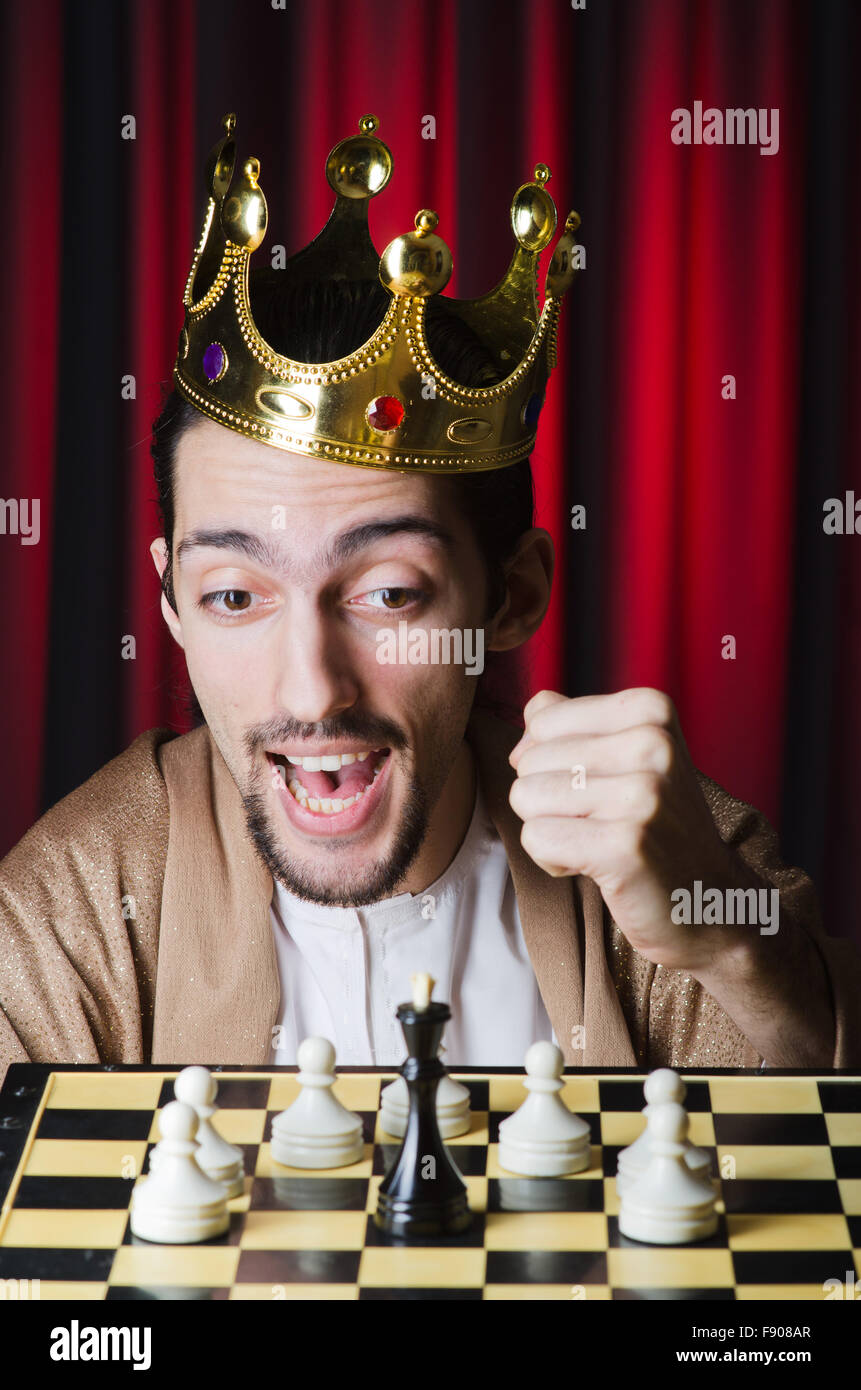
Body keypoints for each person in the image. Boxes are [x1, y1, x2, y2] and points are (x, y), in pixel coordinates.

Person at [1, 115, 858, 1085]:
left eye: (389, 593)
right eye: (235, 594)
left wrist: (729, 936)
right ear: (169, 604)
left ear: (512, 595)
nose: (313, 690)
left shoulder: (675, 852)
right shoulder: (64, 911)